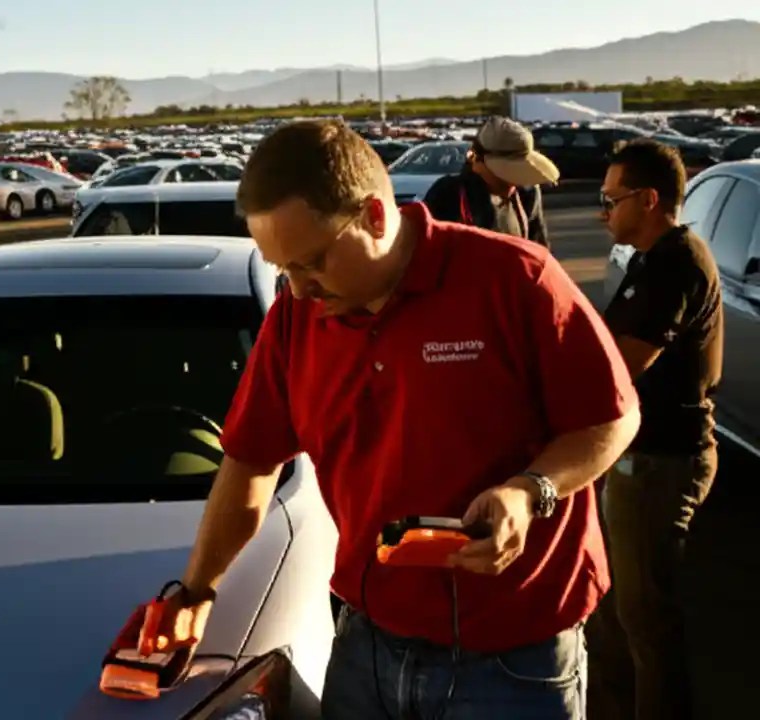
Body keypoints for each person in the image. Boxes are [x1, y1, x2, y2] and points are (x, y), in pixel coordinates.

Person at [142, 120, 640, 720]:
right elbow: (249, 463)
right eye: (282, 270)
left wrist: (530, 490)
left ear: (375, 218)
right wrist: (197, 593)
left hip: (517, 658)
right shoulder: (297, 321)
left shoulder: (514, 278)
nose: (298, 290)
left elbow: (613, 418)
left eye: (314, 262)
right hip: (368, 650)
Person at [588, 139, 722, 720]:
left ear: (648, 199)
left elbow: (620, 363)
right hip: (638, 456)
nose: (603, 212)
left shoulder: (677, 262)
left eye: (610, 199)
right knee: (616, 610)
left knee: (646, 620)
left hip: (660, 460)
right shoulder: (649, 258)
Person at [423, 116, 557, 248]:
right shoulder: (448, 195)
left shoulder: (527, 192)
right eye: (505, 173)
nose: (511, 183)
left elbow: (540, 252)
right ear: (477, 160)